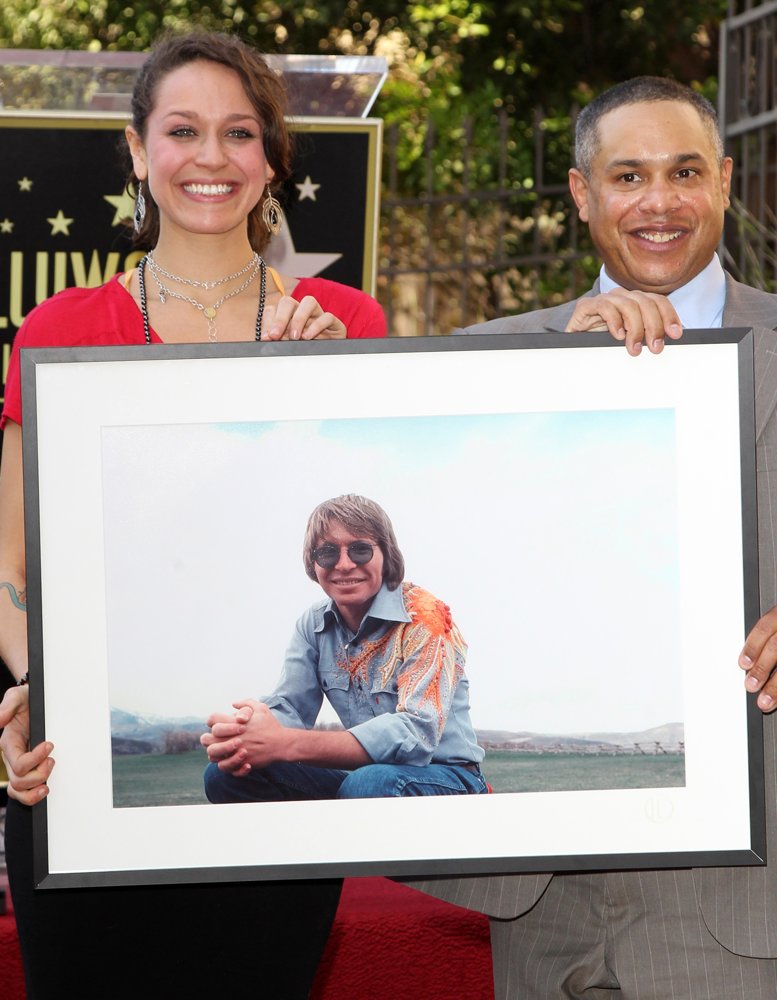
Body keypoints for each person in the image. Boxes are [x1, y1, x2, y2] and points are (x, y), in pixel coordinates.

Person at [0, 30, 384, 1000]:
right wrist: (35, 690)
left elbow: (363, 549)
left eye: (239, 132)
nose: (211, 157)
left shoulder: (348, 322)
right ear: (136, 151)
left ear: (271, 160)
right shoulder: (59, 330)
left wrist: (336, 387)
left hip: (277, 778)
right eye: (182, 130)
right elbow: (11, 566)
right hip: (83, 776)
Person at [409, 77, 777, 1000]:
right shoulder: (479, 360)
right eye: (627, 175)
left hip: (740, 897)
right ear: (582, 194)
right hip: (543, 896)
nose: (659, 200)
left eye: (684, 170)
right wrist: (552, 379)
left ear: (724, 181)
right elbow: (433, 564)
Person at [202, 494, 487, 802]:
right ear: (313, 563)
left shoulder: (424, 618)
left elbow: (417, 735)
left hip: (449, 776)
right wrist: (247, 733)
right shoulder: (313, 624)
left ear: (387, 555)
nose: (344, 564)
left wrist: (285, 743)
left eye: (360, 549)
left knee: (368, 783)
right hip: (373, 777)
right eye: (327, 553)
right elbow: (291, 708)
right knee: (227, 774)